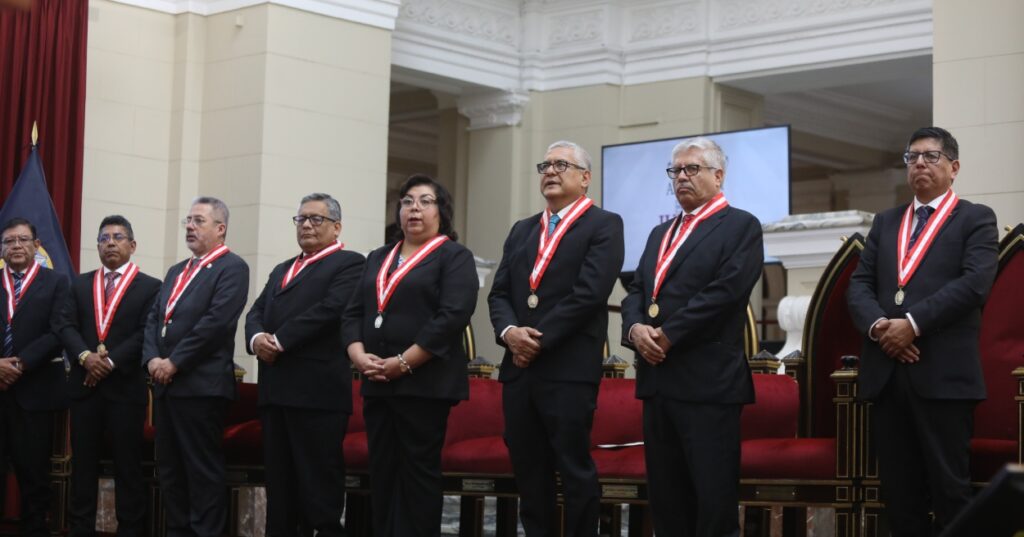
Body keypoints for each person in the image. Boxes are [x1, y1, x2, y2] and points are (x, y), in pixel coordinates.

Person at [847, 127, 998, 536]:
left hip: (943, 376)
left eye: (930, 157)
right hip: (888, 374)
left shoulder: (975, 218)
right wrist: (882, 328)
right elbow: (859, 285)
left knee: (950, 490)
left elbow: (974, 284)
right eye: (912, 157)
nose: (919, 164)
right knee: (899, 495)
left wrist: (912, 325)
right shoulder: (887, 221)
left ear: (954, 167)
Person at [621, 137, 763, 537]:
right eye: (676, 171)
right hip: (657, 380)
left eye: (692, 169)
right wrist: (634, 329)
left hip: (708, 384)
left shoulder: (741, 225)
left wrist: (668, 334)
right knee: (667, 505)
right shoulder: (659, 232)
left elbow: (726, 292)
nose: (681, 177)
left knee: (712, 505)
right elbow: (637, 291)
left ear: (719, 176)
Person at [488, 141, 624, 537]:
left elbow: (590, 294)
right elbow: (498, 295)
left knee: (574, 468)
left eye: (561, 164)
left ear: (585, 177)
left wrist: (537, 341)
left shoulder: (604, 224)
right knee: (529, 472)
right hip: (518, 368)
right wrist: (510, 333)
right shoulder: (522, 229)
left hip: (567, 368)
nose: (550, 171)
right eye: (545, 165)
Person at [343, 174, 478, 537]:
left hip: (424, 384)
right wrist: (358, 355)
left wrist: (404, 362)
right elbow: (353, 313)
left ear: (441, 212)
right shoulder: (378, 257)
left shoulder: (454, 256)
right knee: (383, 473)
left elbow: (451, 317)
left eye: (425, 201)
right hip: (377, 381)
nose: (414, 208)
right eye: (407, 201)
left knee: (417, 476)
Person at [244, 193, 364, 537]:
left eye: (316, 219)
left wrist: (278, 340)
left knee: (319, 494)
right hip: (276, 391)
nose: (307, 225)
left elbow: (330, 310)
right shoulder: (283, 268)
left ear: (337, 227)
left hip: (318, 395)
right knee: (280, 494)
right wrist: (256, 340)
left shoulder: (350, 263)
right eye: (301, 219)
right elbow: (256, 312)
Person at [143, 196, 249, 537]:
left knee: (200, 471)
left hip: (201, 387)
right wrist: (151, 360)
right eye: (188, 220)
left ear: (221, 229)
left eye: (198, 220)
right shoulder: (177, 271)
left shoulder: (232, 268)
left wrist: (174, 361)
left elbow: (215, 323)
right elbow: (153, 320)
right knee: (170, 471)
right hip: (166, 386)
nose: (189, 226)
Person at [56, 215, 161, 537]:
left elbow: (147, 331)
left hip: (125, 390)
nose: (110, 243)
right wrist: (87, 357)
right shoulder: (77, 283)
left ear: (132, 245)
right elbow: (64, 325)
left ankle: (131, 529)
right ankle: (80, 528)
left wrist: (109, 362)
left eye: (118, 237)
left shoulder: (152, 287)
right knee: (83, 465)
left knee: (127, 466)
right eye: (104, 238)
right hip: (84, 390)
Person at [0, 217, 69, 536]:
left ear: (36, 245)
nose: (16, 246)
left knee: (34, 474)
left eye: (22, 240)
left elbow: (59, 330)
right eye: (9, 241)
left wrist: (21, 363)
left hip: (36, 390)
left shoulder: (56, 282)